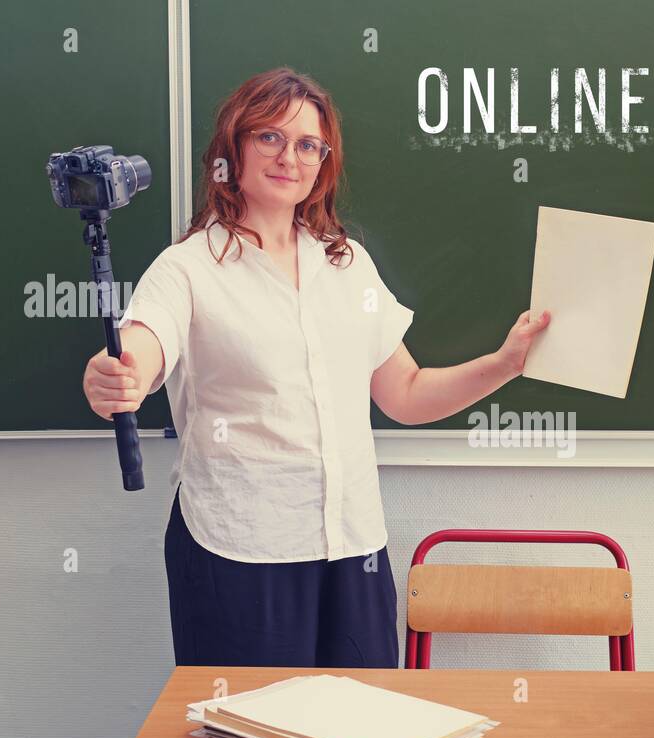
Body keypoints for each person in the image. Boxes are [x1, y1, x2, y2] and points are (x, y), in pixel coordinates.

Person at [81, 67, 551, 667]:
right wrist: (118, 376)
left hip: (354, 547)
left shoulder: (347, 264)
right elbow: (141, 351)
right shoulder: (187, 268)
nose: (290, 158)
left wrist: (504, 364)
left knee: (360, 734)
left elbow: (405, 394)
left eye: (308, 145)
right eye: (269, 138)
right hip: (240, 548)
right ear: (234, 148)